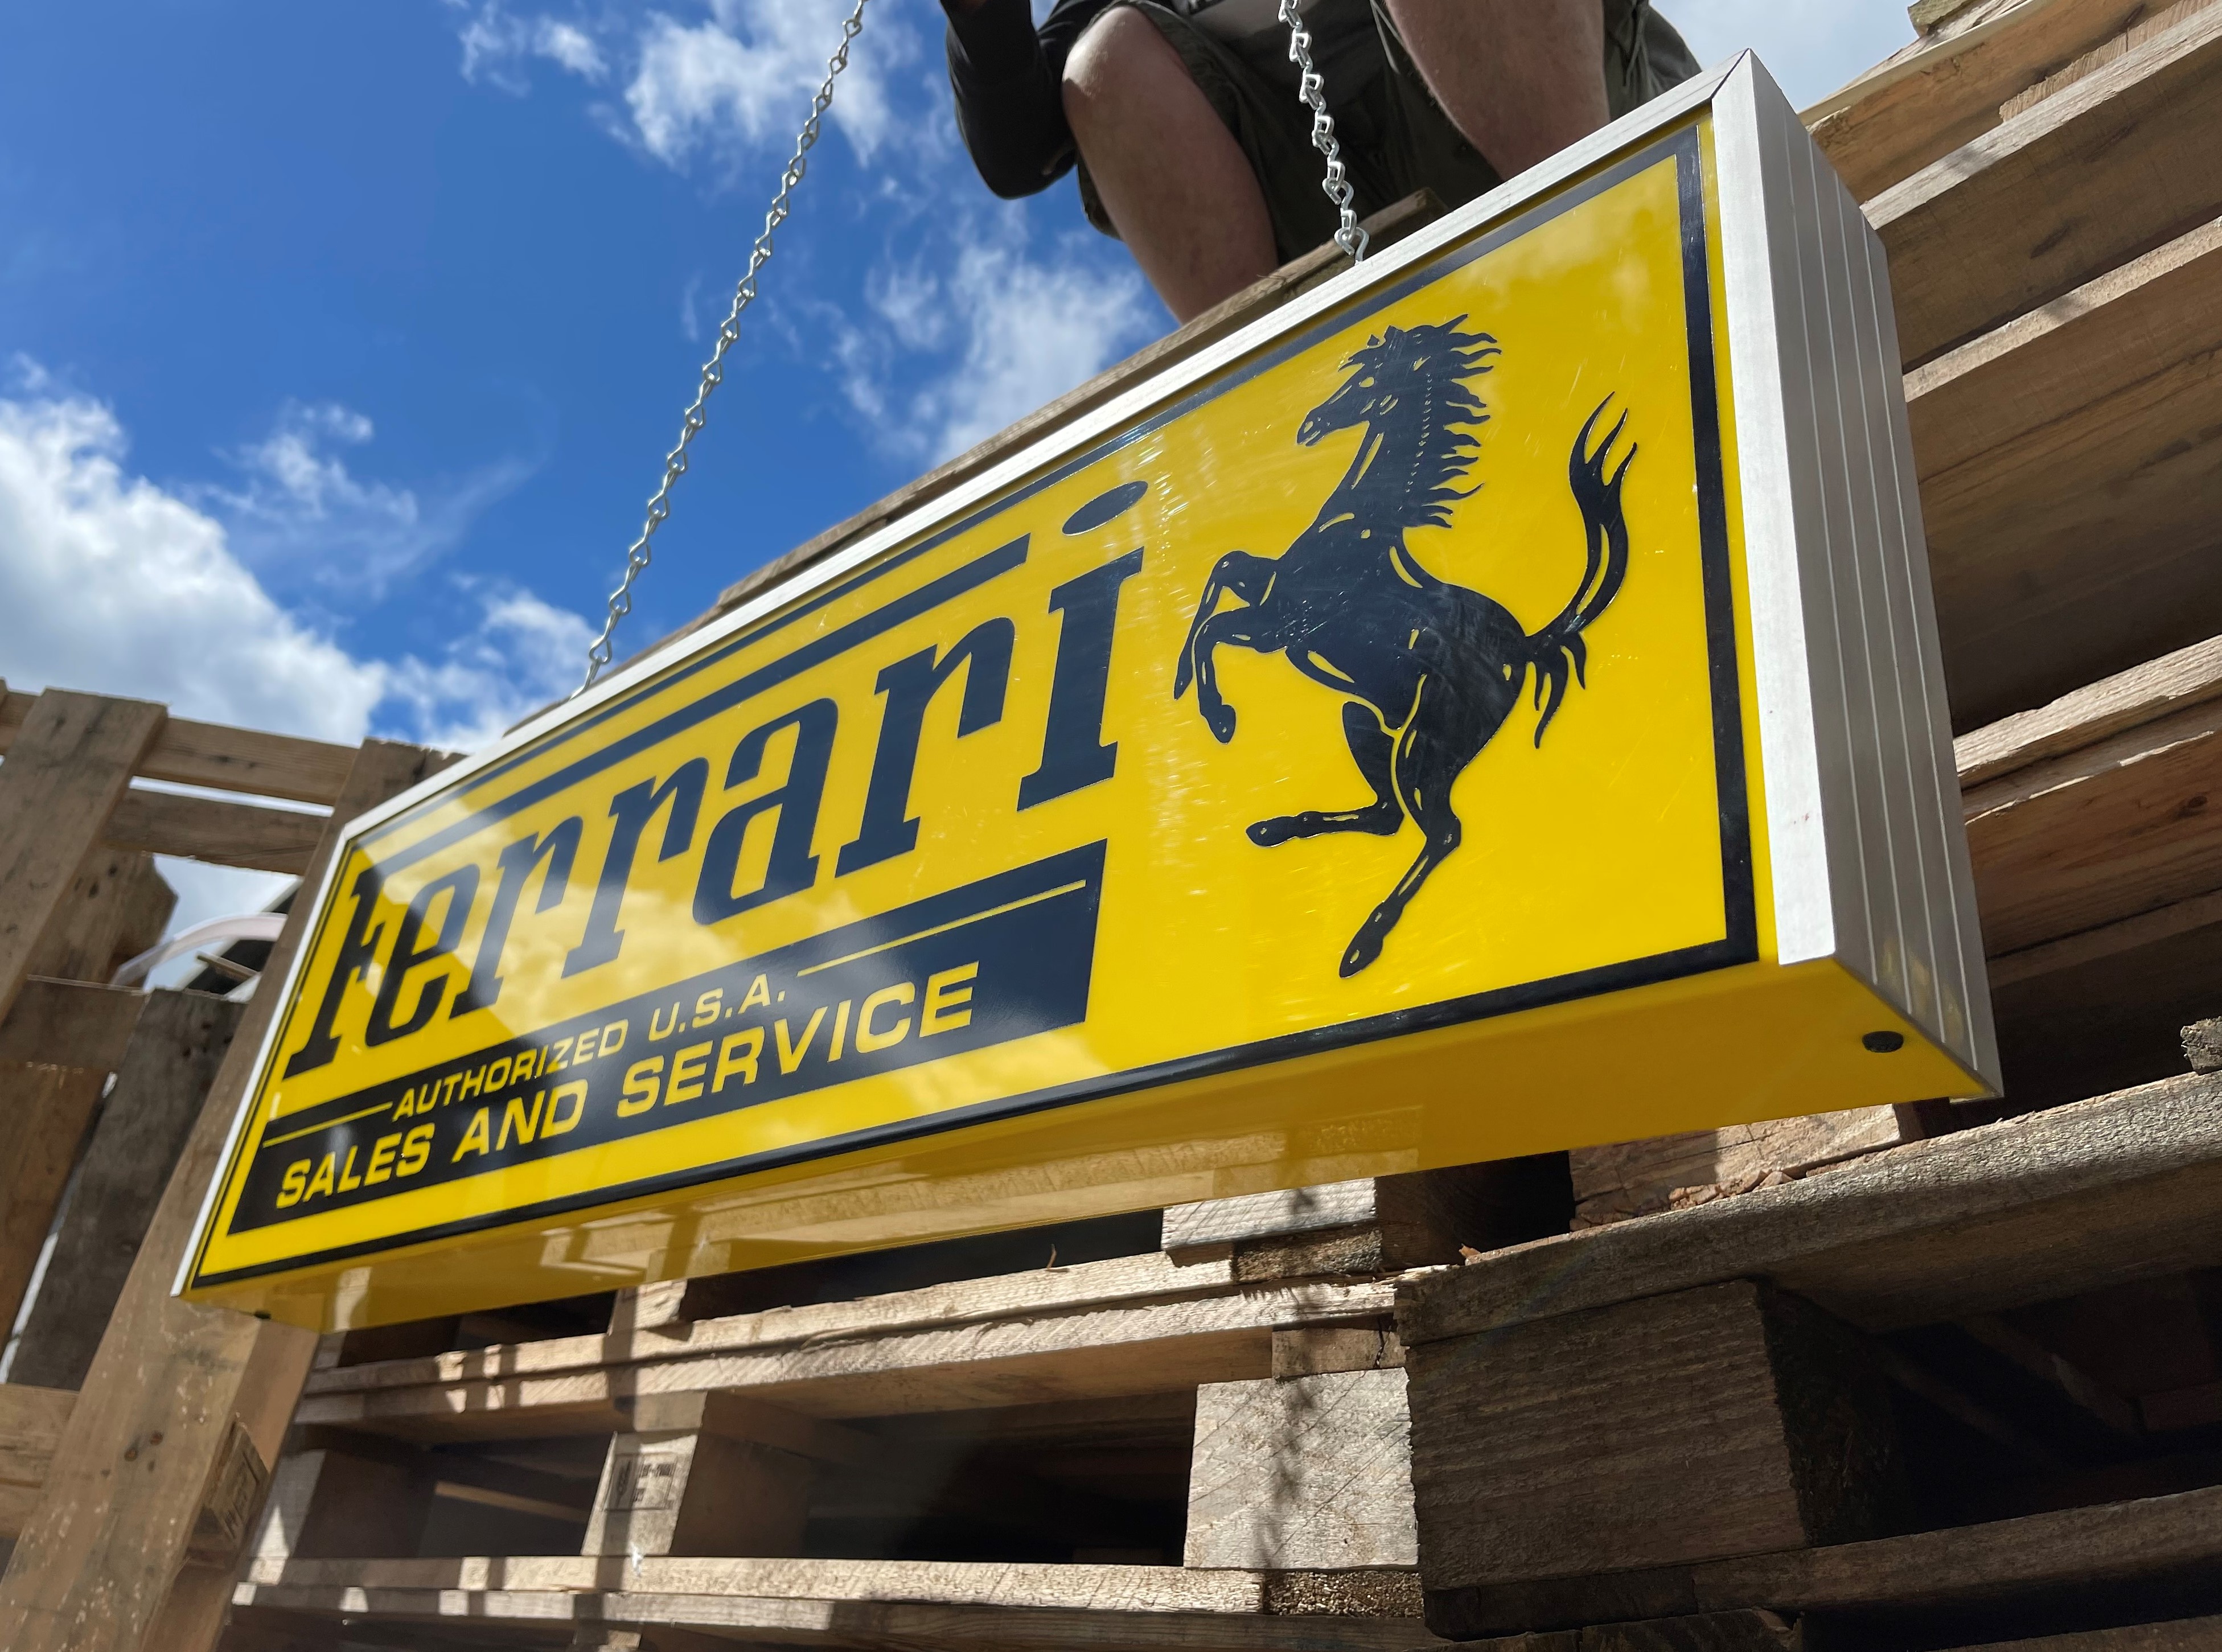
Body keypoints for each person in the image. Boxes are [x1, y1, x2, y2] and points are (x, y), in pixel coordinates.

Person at [940, 0, 1699, 322]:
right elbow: (1019, 149)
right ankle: (1283, 391)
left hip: (1559, 130)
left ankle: (1603, 250)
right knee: (1105, 60)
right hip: (1330, 229)